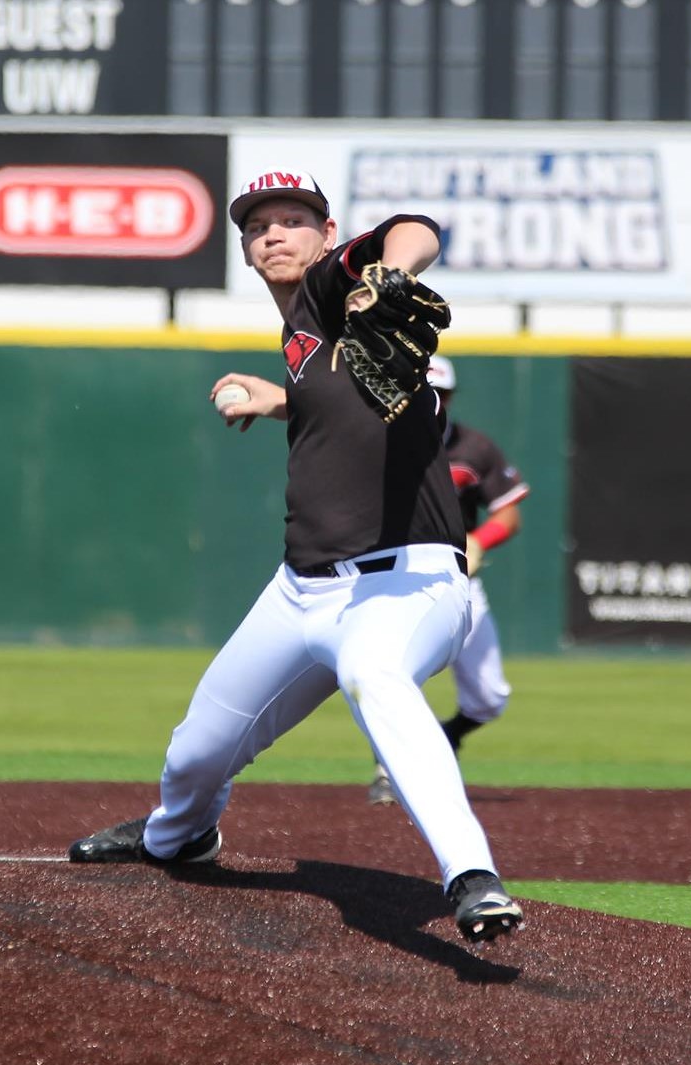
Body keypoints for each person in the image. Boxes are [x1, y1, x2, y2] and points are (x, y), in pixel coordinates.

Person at [66, 167, 523, 944]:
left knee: (372, 674)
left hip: (404, 583)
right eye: (257, 226)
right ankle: (178, 836)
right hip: (301, 593)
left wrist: (390, 270)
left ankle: (472, 875)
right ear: (245, 252)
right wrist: (277, 395)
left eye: (292, 220)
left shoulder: (334, 287)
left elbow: (415, 227)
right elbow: (332, 399)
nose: (273, 233)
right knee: (196, 751)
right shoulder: (304, 337)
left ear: (326, 234)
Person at [367, 355, 527, 805]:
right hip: (397, 579)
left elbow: (508, 512)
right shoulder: (378, 440)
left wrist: (480, 539)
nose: (433, 400)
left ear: (451, 396)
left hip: (459, 580)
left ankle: (447, 735)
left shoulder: (473, 448)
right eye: (425, 391)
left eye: (441, 393)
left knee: (490, 697)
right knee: (394, 678)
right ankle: (387, 769)